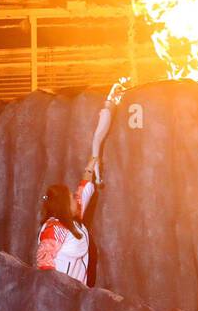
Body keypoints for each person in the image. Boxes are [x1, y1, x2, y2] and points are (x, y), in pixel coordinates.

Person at [35, 78, 130, 285]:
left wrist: (93, 160)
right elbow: (44, 266)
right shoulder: (54, 229)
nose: (75, 200)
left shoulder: (73, 222)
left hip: (77, 297)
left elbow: (83, 188)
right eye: (70, 198)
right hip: (61, 299)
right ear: (61, 204)